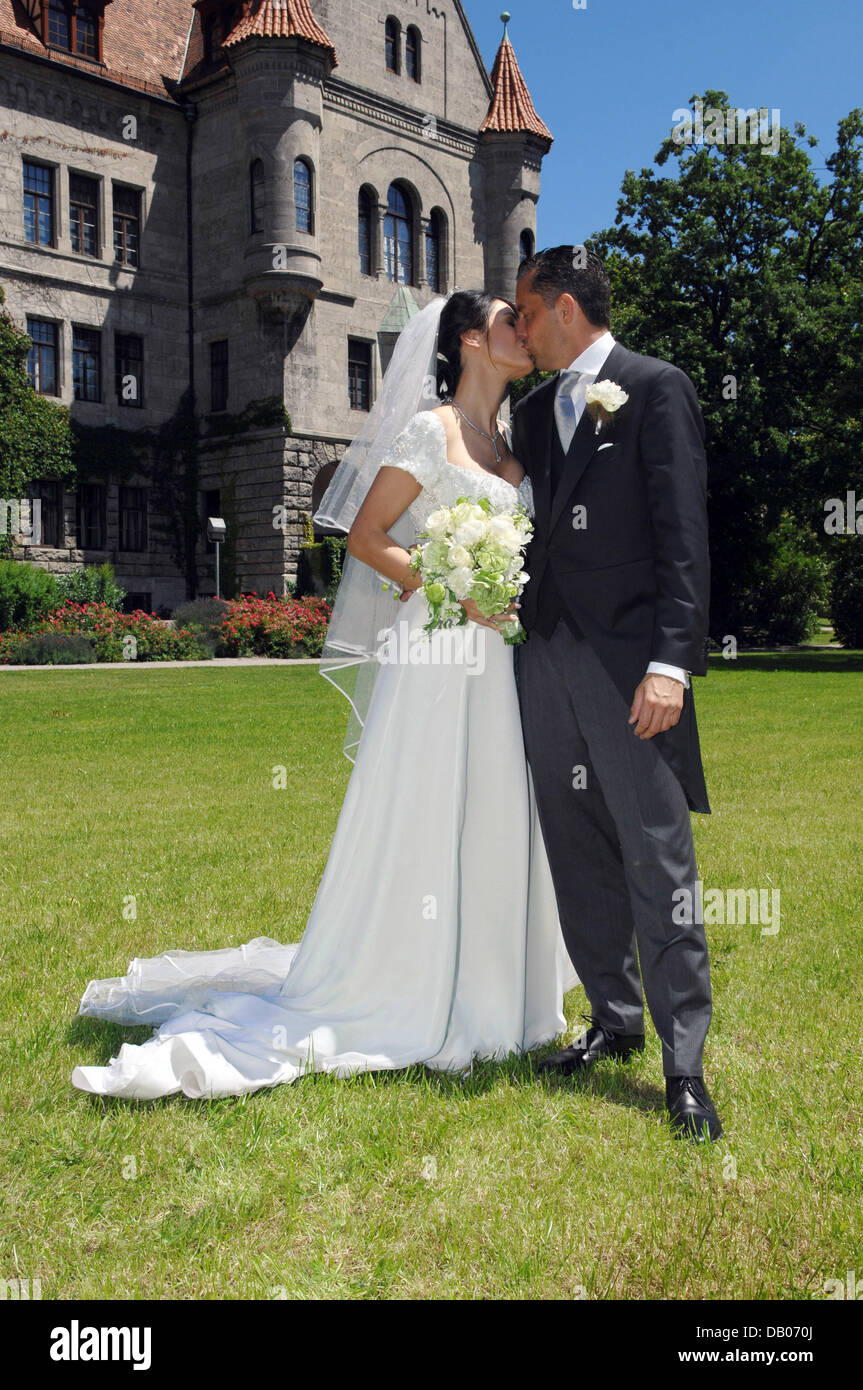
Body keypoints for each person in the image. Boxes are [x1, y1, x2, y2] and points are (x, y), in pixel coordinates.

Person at [70, 290, 578, 1101]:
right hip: (440, 651)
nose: (526, 328)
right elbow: (371, 538)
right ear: (472, 343)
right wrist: (450, 587)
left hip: (500, 668)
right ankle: (402, 980)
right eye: (509, 320)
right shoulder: (429, 432)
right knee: (429, 812)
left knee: (497, 812)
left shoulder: (513, 451)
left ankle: (497, 994)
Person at [512, 246, 723, 1141]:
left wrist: (670, 664)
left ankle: (684, 1065)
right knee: (576, 842)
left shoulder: (654, 385)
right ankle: (612, 1016)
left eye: (525, 315)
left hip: (631, 665)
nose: (519, 333)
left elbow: (683, 533)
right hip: (544, 657)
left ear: (562, 308)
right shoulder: (528, 413)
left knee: (655, 852)